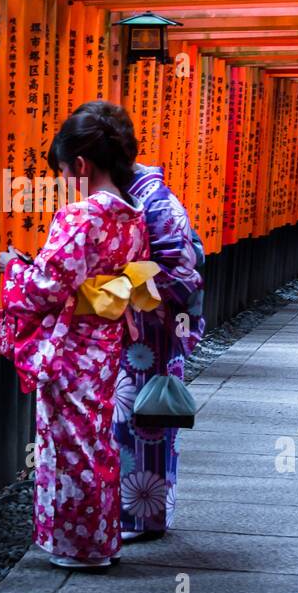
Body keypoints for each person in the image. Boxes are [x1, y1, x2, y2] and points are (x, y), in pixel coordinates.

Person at [0, 103, 150, 569]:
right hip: (105, 342)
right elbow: (132, 278)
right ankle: (101, 539)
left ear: (80, 165)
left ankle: (77, 545)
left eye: (63, 172)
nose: (63, 183)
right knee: (94, 438)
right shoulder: (132, 214)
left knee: (67, 442)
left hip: (71, 345)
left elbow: (45, 288)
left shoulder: (80, 216)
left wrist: (13, 267)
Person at [86, 102, 204, 541]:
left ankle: (142, 516)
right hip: (124, 324)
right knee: (123, 419)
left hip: (150, 329)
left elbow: (180, 270)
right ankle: (127, 512)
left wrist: (120, 292)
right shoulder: (124, 194)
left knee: (144, 418)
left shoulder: (154, 199)